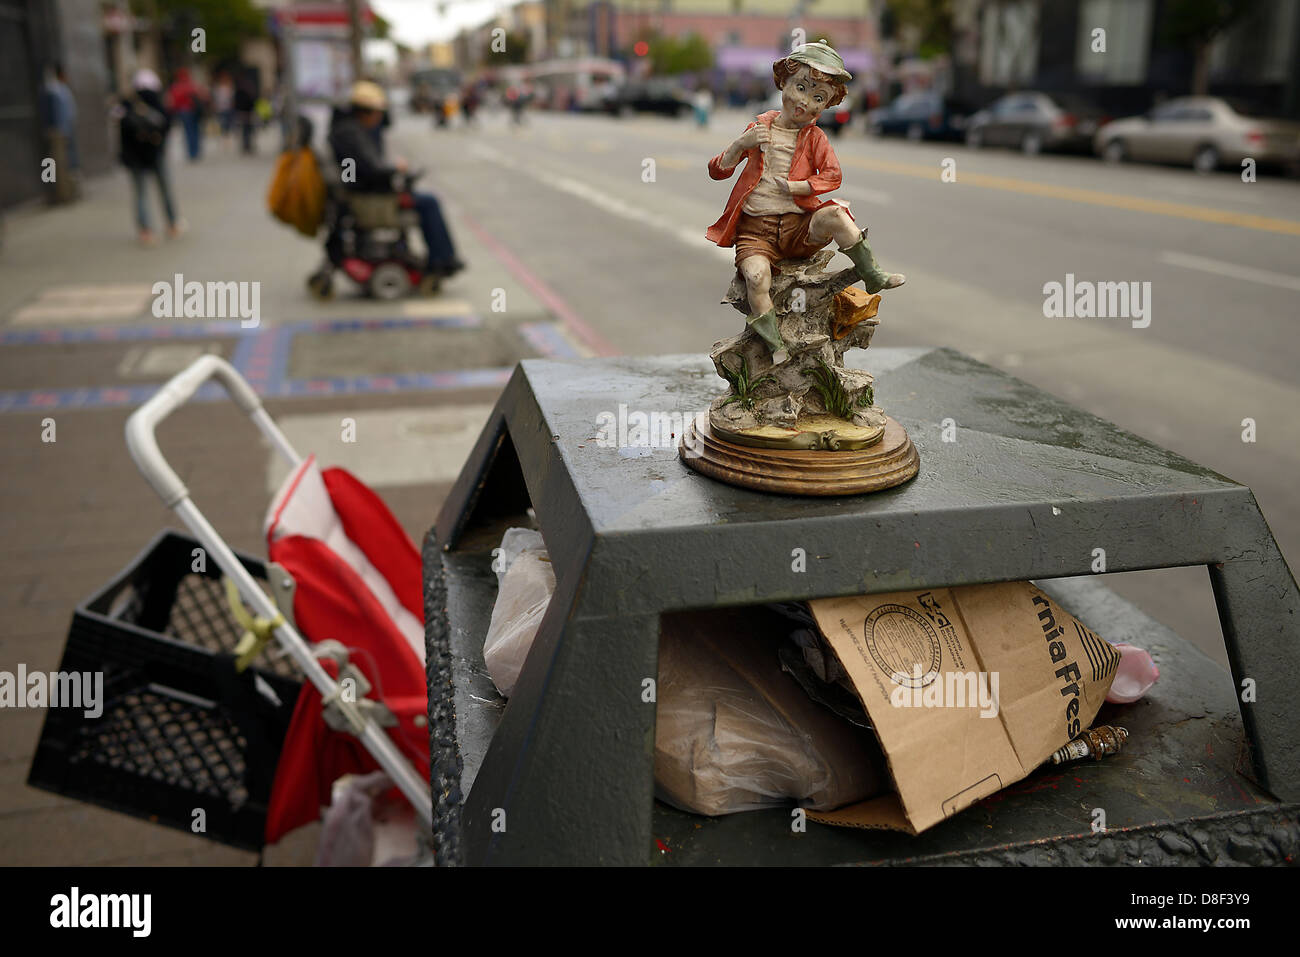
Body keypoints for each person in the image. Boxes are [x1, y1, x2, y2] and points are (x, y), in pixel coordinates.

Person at [705, 42, 903, 364]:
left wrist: (802, 186)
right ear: (783, 83)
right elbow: (717, 171)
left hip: (797, 228)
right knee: (756, 278)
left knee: (837, 215)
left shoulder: (815, 138)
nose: (805, 102)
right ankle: (775, 344)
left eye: (819, 98)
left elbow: (833, 175)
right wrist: (741, 143)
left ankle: (873, 273)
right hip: (757, 233)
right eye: (800, 88)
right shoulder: (759, 128)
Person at [328, 81, 464, 279]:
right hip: (369, 200)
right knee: (429, 202)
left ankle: (442, 258)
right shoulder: (350, 133)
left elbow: (364, 166)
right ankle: (442, 260)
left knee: (425, 199)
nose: (380, 117)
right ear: (365, 112)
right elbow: (370, 169)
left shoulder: (350, 130)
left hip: (367, 194)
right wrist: (395, 170)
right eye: (377, 112)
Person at [116, 68, 182, 244]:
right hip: (155, 152)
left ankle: (145, 229)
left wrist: (125, 157)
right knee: (164, 189)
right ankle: (172, 223)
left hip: (135, 157)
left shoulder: (127, 104)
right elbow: (167, 125)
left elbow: (122, 133)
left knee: (140, 193)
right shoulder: (158, 103)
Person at [42, 64, 80, 192]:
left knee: (68, 160)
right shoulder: (53, 91)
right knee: (56, 161)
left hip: (66, 130)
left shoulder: (62, 90)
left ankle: (69, 188)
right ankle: (58, 189)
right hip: (59, 132)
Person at [166, 67, 206, 160]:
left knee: (188, 132)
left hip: (184, 111)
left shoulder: (176, 86)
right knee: (196, 131)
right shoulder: (192, 85)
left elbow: (173, 101)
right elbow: (202, 95)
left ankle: (192, 152)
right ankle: (196, 151)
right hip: (194, 111)